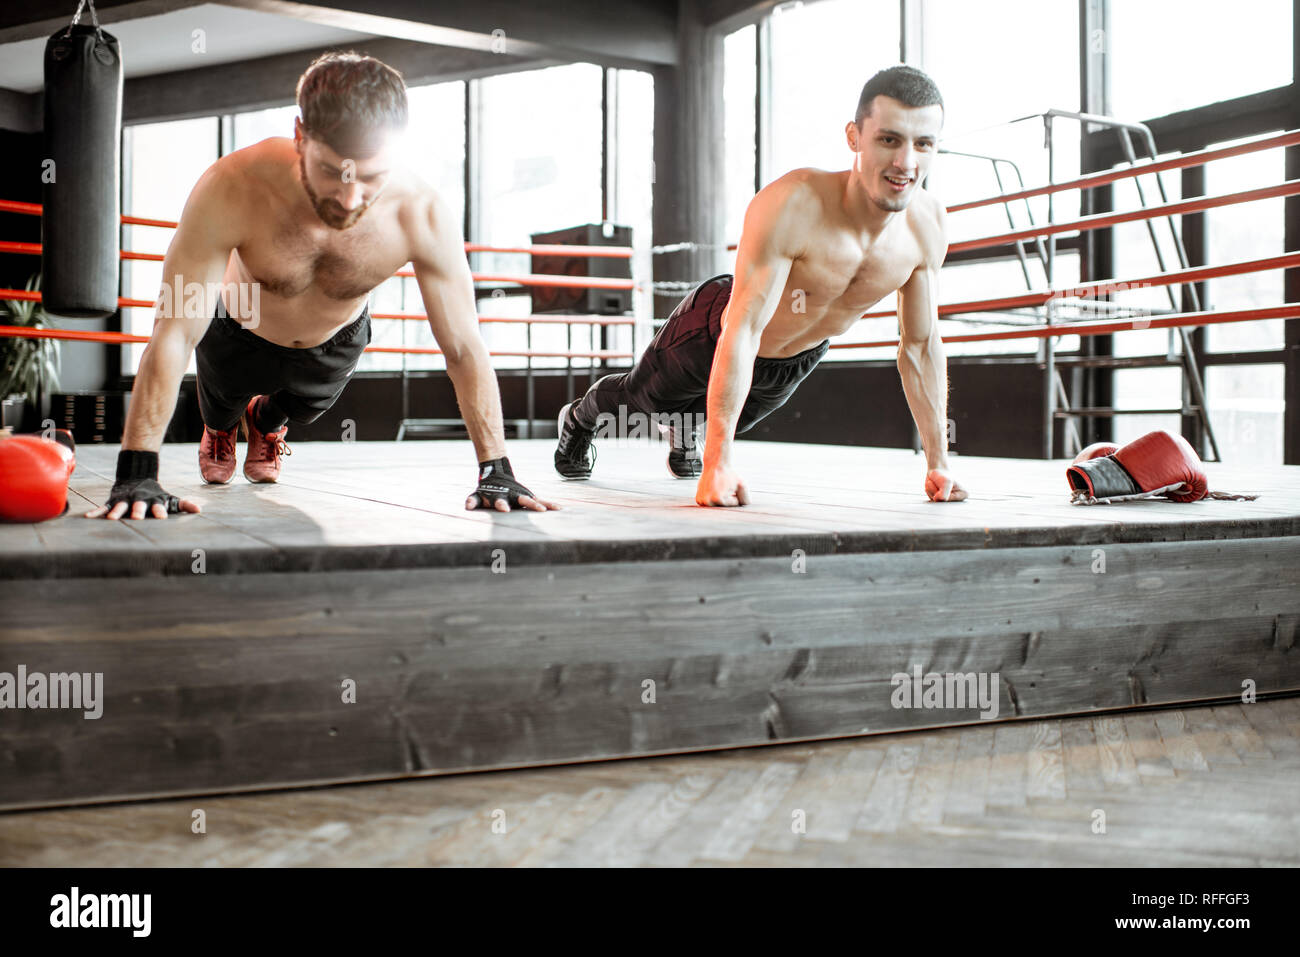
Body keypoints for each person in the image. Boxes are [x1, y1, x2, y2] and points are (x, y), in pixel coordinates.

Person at [87, 52, 556, 520]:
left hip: (334, 340)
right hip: (236, 324)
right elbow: (173, 331)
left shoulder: (421, 212)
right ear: (299, 135)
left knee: (302, 408)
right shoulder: (232, 186)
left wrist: (496, 468)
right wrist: (137, 471)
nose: (350, 198)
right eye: (332, 172)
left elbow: (463, 346)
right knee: (221, 403)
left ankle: (264, 424)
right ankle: (221, 427)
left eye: (370, 178)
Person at [554, 64, 968, 506]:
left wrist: (938, 463)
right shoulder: (794, 203)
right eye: (889, 139)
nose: (906, 162)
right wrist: (718, 465)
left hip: (794, 360)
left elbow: (921, 347)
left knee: (723, 419)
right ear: (854, 137)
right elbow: (744, 327)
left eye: (923, 144)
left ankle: (688, 435)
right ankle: (579, 418)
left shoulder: (927, 227)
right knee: (645, 402)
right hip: (716, 328)